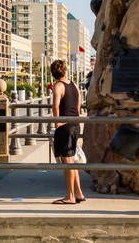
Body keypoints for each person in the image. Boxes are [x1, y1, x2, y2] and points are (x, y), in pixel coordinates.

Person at [50, 59, 85, 205]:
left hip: (64, 127)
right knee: (72, 160)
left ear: (53, 73)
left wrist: (57, 122)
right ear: (65, 71)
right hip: (75, 124)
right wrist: (74, 120)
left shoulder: (58, 86)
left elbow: (55, 106)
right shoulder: (74, 85)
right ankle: (79, 193)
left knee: (67, 161)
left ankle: (70, 196)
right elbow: (78, 106)